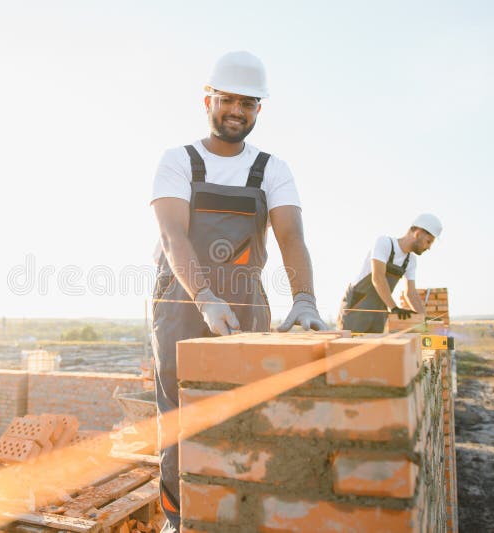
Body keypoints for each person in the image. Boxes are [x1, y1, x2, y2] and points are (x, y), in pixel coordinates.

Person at [150, 50, 326, 532]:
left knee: (249, 410)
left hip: (245, 301)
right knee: (180, 417)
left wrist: (304, 298)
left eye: (247, 103)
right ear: (208, 100)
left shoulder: (272, 169)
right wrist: (205, 297)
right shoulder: (178, 161)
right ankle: (180, 518)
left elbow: (291, 237)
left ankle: (242, 514)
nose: (236, 111)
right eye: (227, 99)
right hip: (181, 303)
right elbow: (173, 236)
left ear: (258, 110)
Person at [336, 213, 443, 333]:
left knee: (374, 349)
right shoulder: (384, 243)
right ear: (417, 233)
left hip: (380, 308)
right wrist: (394, 308)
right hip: (357, 305)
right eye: (428, 242)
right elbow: (378, 278)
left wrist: (423, 318)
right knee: (348, 346)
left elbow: (411, 293)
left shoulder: (410, 260)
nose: (428, 247)